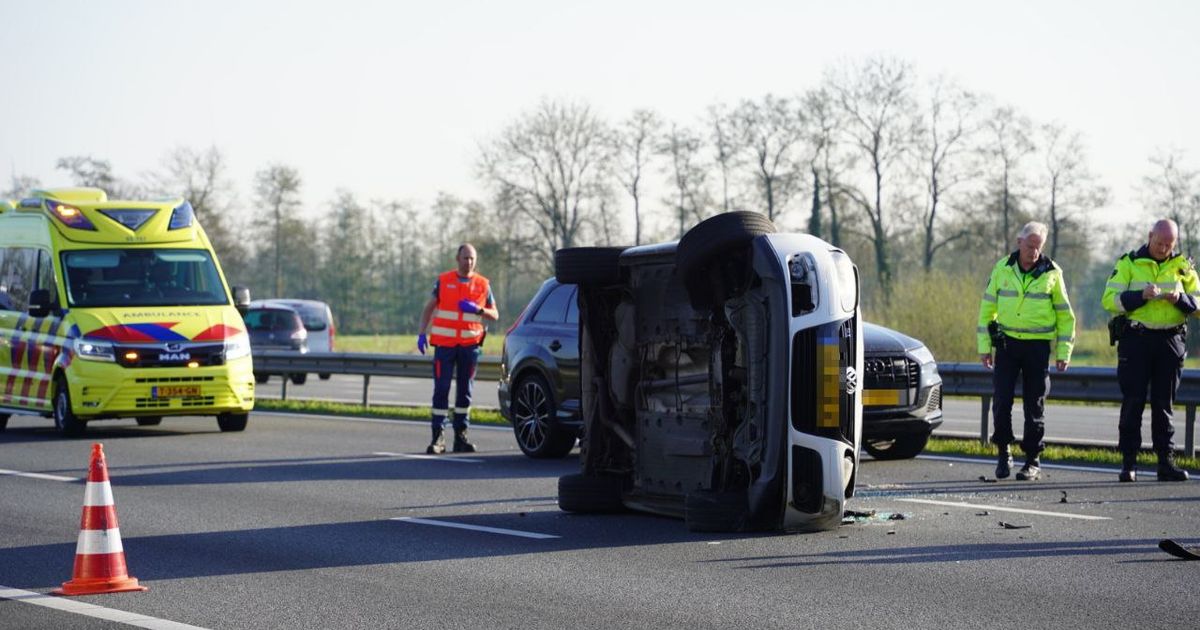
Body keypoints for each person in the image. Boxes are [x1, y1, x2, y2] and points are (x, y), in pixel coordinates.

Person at [977, 221, 1076, 481]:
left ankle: (1033, 461)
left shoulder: (1052, 272)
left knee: (1034, 406)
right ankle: (1003, 452)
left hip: (1037, 347)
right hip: (1007, 345)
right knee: (1001, 402)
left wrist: (1064, 352)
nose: (1033, 252)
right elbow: (987, 310)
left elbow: (1066, 316)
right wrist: (984, 347)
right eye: (1030, 246)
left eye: (1038, 247)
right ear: (1019, 242)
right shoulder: (1002, 268)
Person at [1101, 219, 1195, 482]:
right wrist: (1140, 296)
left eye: (1169, 244)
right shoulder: (1128, 263)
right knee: (1133, 403)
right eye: (1159, 243)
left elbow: (1199, 303)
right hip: (1137, 340)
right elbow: (1109, 300)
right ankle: (1128, 464)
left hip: (1170, 341)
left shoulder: (1183, 266)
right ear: (1150, 235)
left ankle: (1166, 463)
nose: (1163, 248)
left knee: (1164, 405)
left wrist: (1181, 300)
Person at [416, 243, 499, 454]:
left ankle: (461, 437)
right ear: (457, 259)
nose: (469, 262)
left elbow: (495, 314)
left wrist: (479, 309)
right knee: (441, 390)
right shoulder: (444, 281)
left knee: (465, 393)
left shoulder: (483, 284)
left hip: (470, 347)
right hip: (445, 346)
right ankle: (438, 438)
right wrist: (422, 332)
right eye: (465, 258)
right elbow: (429, 307)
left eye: (472, 258)